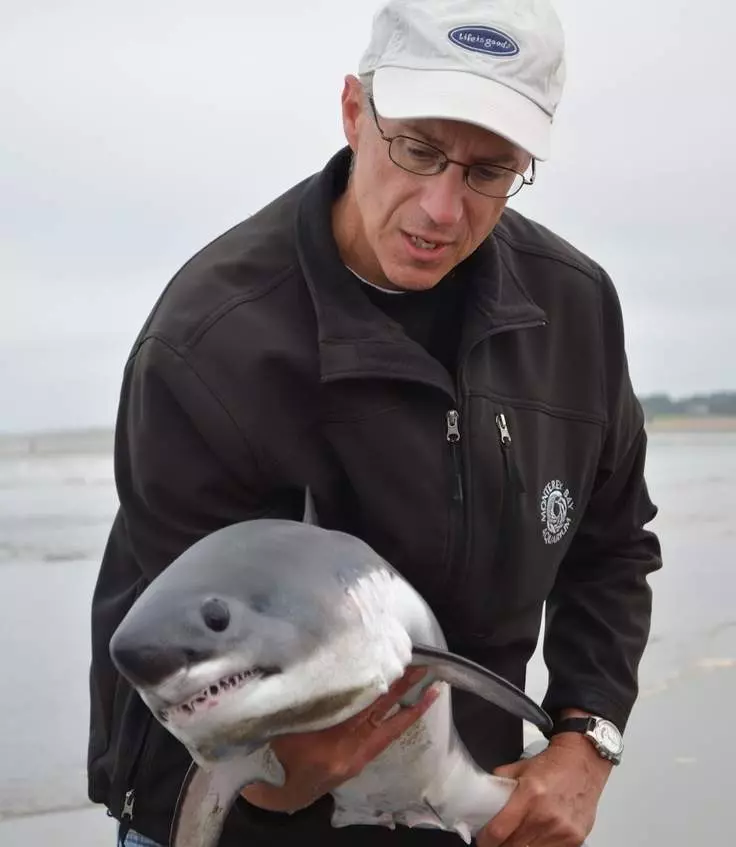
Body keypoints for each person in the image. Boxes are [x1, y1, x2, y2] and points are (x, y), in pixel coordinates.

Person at [87, 0, 662, 845]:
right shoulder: (207, 347)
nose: (441, 208)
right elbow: (178, 660)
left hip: (465, 810)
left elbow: (612, 546)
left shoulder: (573, 310)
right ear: (356, 112)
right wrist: (271, 782)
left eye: (489, 170)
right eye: (419, 149)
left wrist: (587, 739)